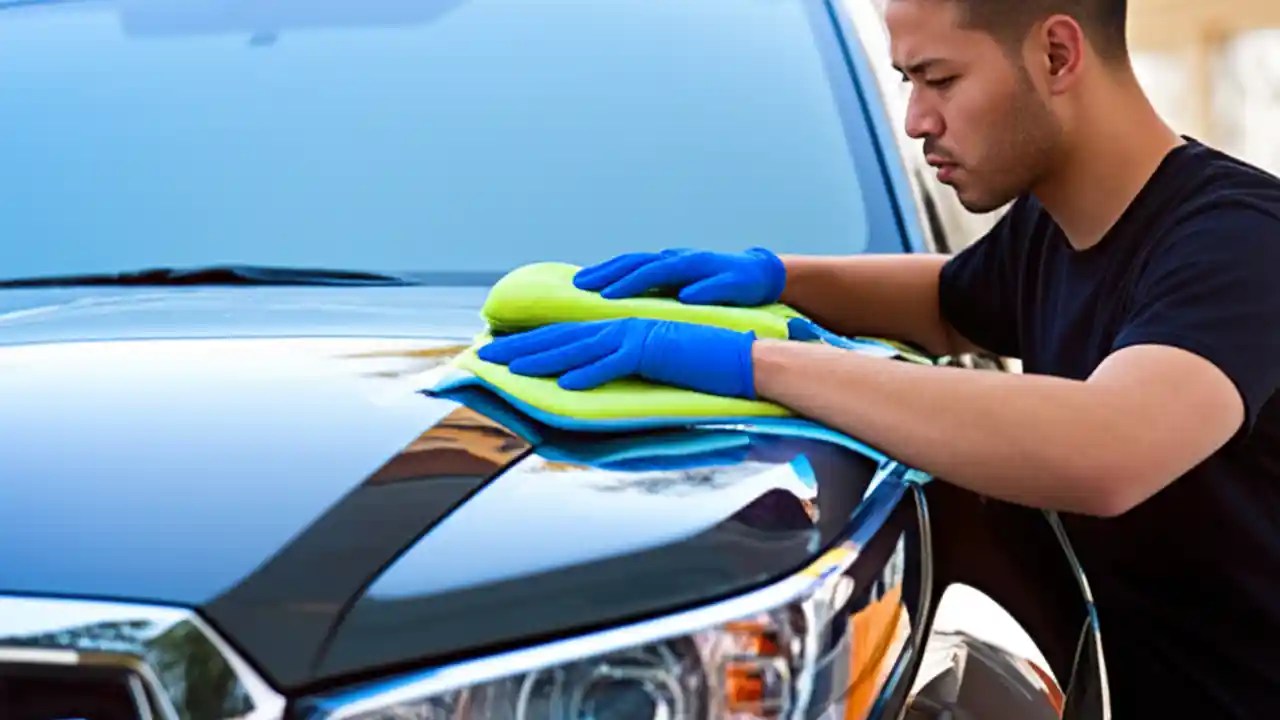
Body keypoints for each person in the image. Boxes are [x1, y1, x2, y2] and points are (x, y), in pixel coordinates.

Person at [477, 0, 1280, 716]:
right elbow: (946, 302)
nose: (916, 120)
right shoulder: (1055, 229)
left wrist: (763, 364)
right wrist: (778, 276)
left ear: (1058, 56)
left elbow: (1108, 447)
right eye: (906, 81)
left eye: (939, 79)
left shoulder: (1242, 241)